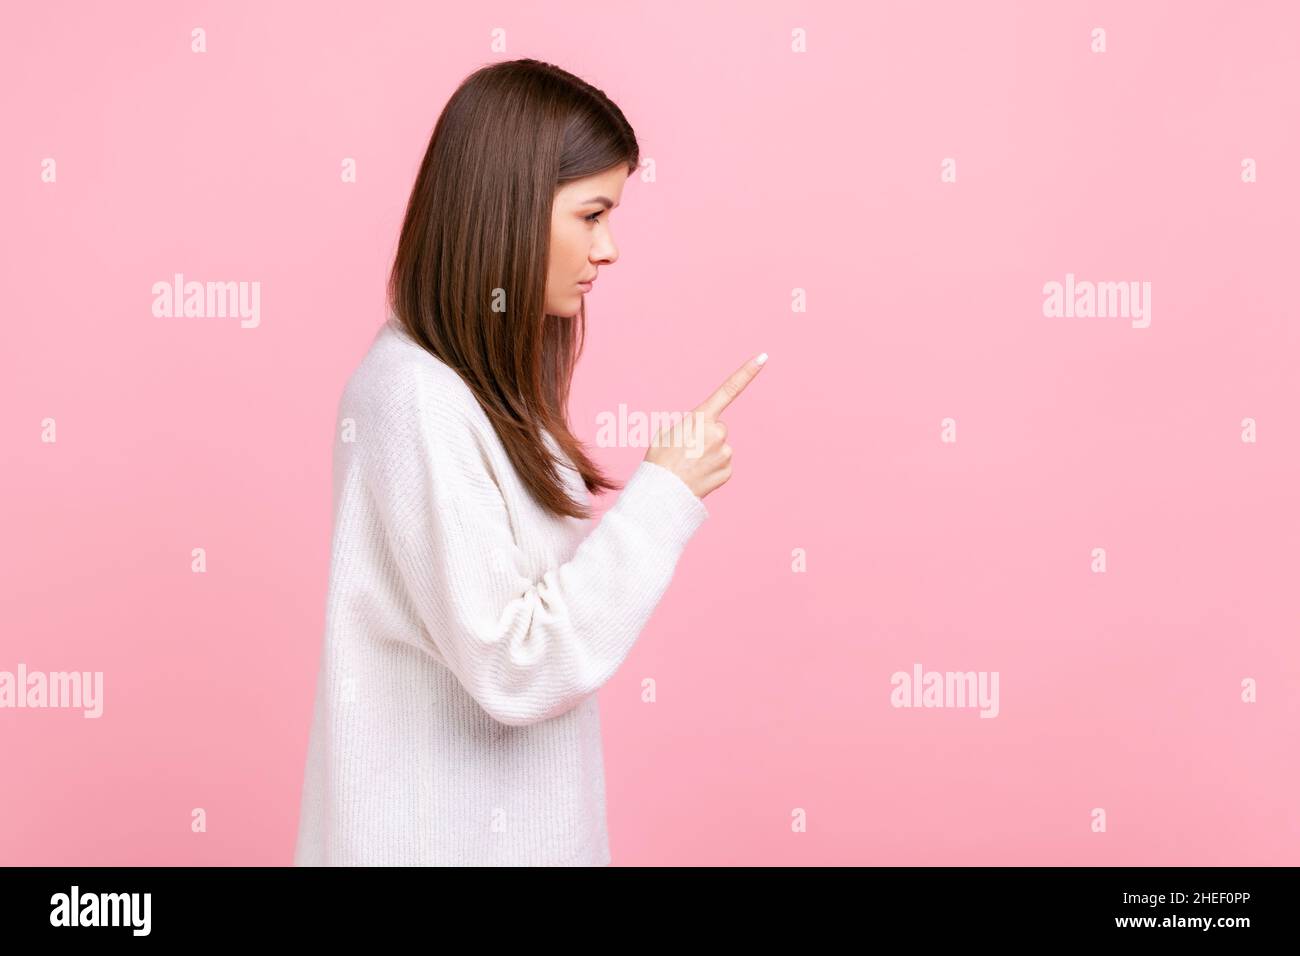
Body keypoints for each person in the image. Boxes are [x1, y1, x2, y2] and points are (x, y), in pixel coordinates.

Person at [292, 57, 766, 866]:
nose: (609, 249)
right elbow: (515, 663)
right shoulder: (415, 398)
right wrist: (664, 497)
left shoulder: (482, 394)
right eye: (591, 215)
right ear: (510, 208)